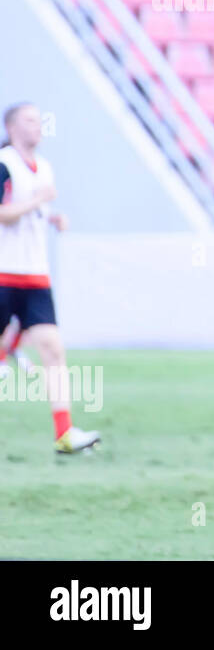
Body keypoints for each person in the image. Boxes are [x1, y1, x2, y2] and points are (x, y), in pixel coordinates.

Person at [0, 102, 100, 453]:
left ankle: (65, 434)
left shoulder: (44, 168)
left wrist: (51, 216)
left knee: (53, 351)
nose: (38, 125)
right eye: (30, 120)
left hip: (36, 276)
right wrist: (38, 201)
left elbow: (31, 212)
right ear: (12, 127)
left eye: (39, 119)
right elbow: (3, 215)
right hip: (4, 273)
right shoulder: (5, 164)